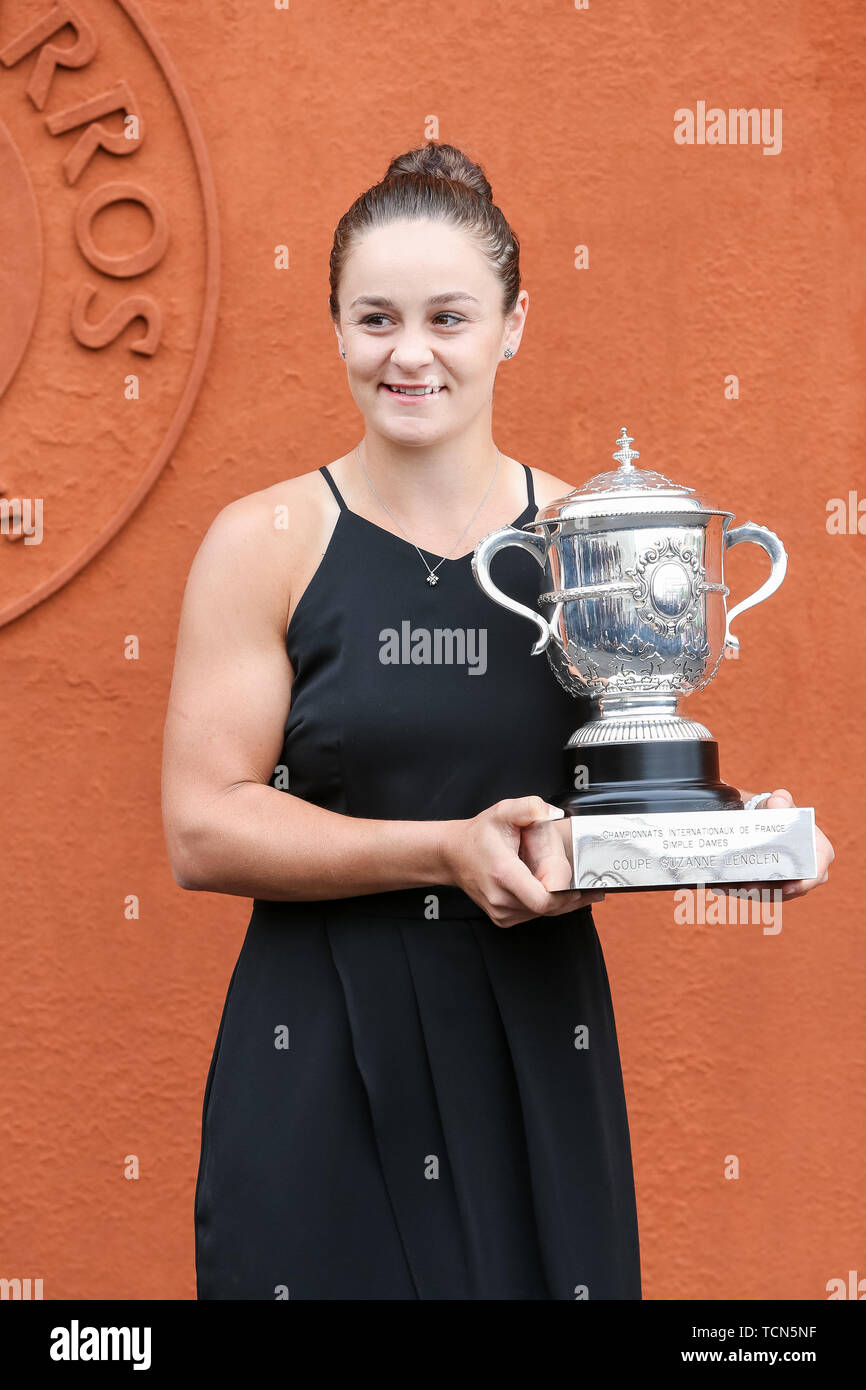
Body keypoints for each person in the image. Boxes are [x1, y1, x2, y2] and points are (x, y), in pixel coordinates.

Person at [161, 142, 832, 1301]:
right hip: (317, 1049)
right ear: (335, 327)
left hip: (530, 1045)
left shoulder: (590, 542)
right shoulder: (263, 543)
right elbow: (201, 829)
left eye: (448, 317)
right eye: (375, 318)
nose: (408, 353)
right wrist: (443, 849)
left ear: (512, 325)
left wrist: (724, 838)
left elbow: (616, 791)